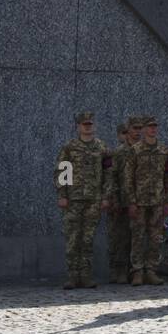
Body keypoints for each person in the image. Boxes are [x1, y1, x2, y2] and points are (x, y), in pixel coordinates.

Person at [56, 111, 110, 290]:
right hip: (73, 199)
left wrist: (105, 196)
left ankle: (86, 276)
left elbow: (108, 174)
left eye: (90, 124)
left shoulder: (102, 147)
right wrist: (63, 195)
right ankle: (72, 276)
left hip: (93, 200)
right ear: (78, 127)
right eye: (84, 124)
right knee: (73, 238)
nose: (88, 127)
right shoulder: (70, 147)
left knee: (87, 239)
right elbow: (63, 171)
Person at [125, 116, 168, 286]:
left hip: (157, 201)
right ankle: (137, 271)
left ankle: (151, 270)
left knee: (155, 238)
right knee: (137, 237)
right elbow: (128, 178)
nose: (153, 129)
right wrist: (131, 201)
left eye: (155, 126)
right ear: (144, 129)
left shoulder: (164, 150)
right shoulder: (135, 150)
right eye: (149, 127)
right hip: (139, 201)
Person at [107, 121, 133, 284]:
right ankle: (117, 270)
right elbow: (110, 178)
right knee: (117, 238)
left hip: (135, 201)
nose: (126, 136)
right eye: (123, 133)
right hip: (118, 201)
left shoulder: (139, 151)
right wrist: (112, 199)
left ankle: (132, 270)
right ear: (118, 136)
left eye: (127, 133)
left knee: (133, 238)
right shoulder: (115, 154)